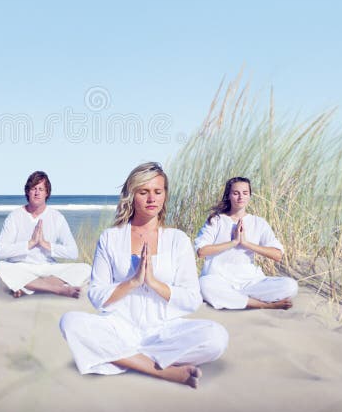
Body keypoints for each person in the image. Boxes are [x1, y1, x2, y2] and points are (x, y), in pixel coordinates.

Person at [60, 163, 228, 388]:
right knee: (70, 322)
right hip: (119, 327)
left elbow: (192, 299)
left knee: (217, 337)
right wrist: (133, 282)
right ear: (131, 195)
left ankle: (123, 357)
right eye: (143, 192)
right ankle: (160, 371)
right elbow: (96, 295)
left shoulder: (178, 240)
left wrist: (154, 283)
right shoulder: (110, 237)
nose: (152, 199)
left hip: (164, 330)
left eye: (158, 192)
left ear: (165, 195)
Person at [195, 176, 298, 310]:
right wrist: (234, 242)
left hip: (250, 281)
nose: (240, 197)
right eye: (236, 193)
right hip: (218, 278)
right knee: (204, 285)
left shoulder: (258, 223)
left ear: (250, 195)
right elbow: (201, 251)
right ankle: (262, 304)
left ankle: (234, 298)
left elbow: (277, 255)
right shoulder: (216, 220)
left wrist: (246, 244)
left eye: (245, 193)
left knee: (291, 286)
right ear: (229, 196)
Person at [0, 171, 91, 298]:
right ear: (28, 192)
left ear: (47, 193)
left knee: (86, 269)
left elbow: (73, 252)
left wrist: (45, 244)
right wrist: (30, 244)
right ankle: (57, 289)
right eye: (33, 188)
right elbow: (0, 252)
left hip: (48, 268)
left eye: (41, 189)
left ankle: (26, 287)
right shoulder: (15, 216)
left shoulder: (57, 217)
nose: (37, 192)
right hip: (21, 267)